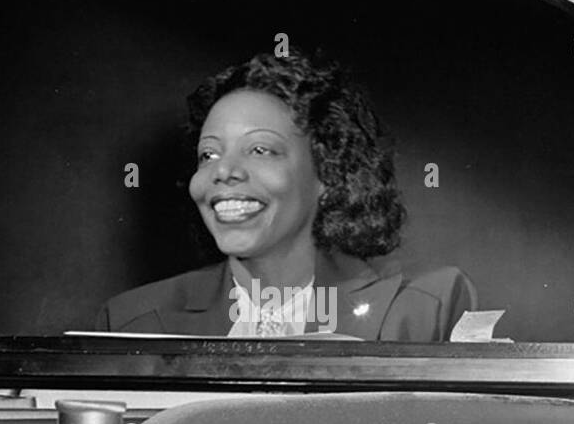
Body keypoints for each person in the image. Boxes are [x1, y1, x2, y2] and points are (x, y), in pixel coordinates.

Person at [95, 49, 477, 341]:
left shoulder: (429, 306)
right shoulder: (131, 321)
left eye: (260, 150)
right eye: (208, 154)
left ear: (327, 173)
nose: (223, 171)